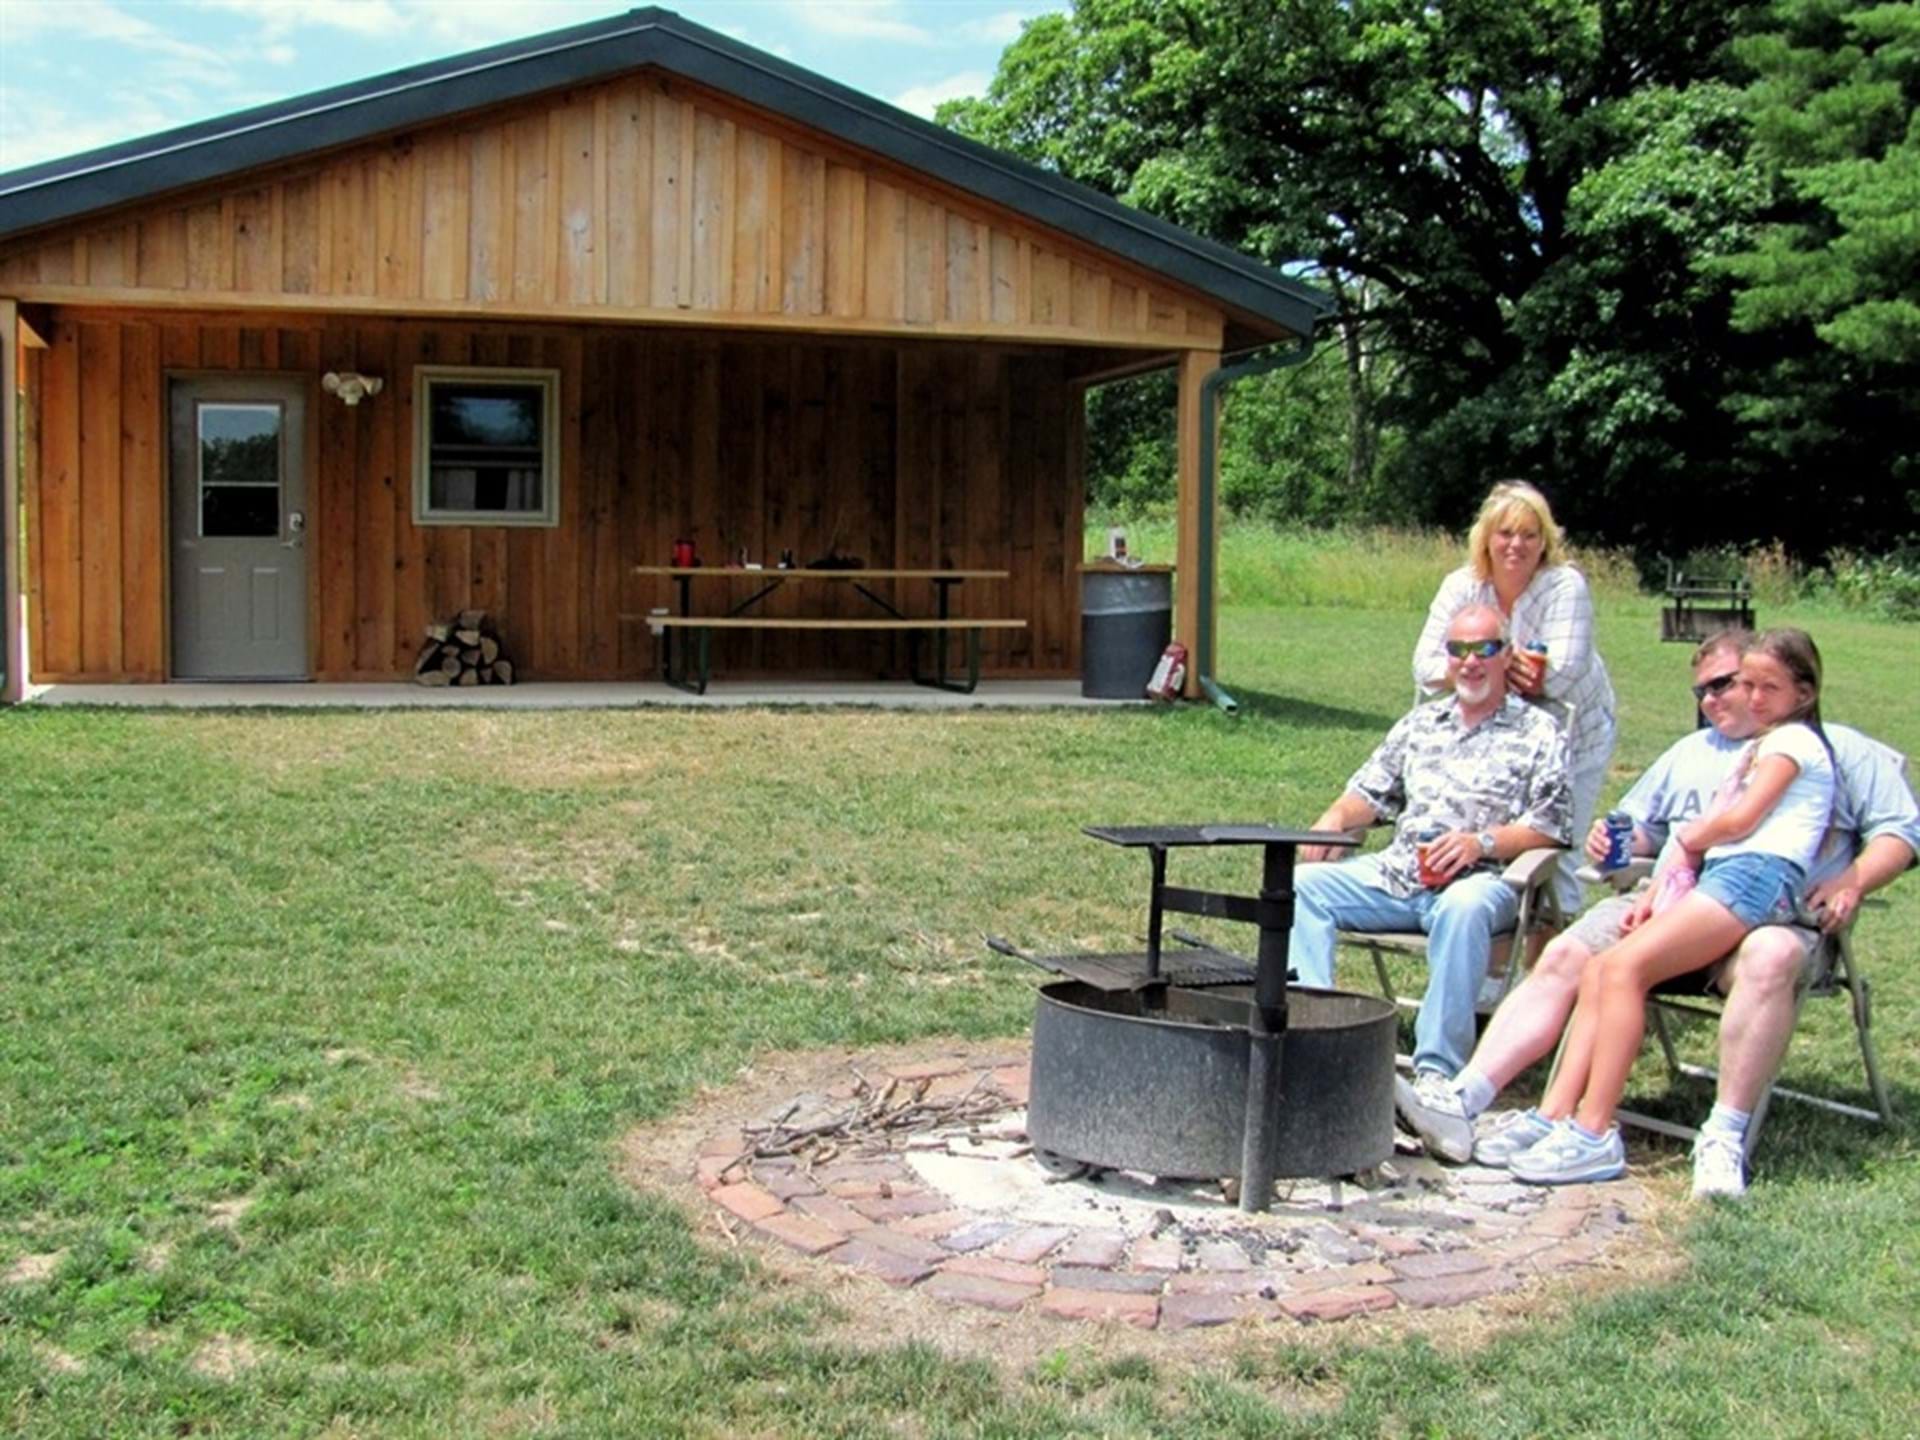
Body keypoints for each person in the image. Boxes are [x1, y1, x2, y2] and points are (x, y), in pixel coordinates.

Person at [1397, 628, 1918, 1196]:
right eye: (1704, 690)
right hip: (1675, 893)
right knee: (1573, 953)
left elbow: (1902, 832)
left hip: (1777, 910)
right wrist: (1615, 841)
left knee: (1764, 955)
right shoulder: (1691, 753)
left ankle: (1722, 1136)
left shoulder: (1831, 748)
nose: (1717, 699)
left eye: (1730, 684)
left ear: (1793, 688)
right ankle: (1469, 1099)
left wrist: (1852, 880)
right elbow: (1640, 829)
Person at [1498, 628, 1836, 1184]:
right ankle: (1557, 1116)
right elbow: (1700, 839)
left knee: (1622, 971)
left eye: (1768, 687)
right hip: (1725, 875)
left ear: (1804, 692)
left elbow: (1739, 820)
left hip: (1755, 878)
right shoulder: (1761, 744)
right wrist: (1659, 889)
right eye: (1748, 685)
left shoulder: (1793, 743)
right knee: (1602, 968)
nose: (1753, 698)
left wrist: (1692, 835)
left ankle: (1594, 1132)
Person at [1288, 604, 1572, 1082]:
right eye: (1459, 649)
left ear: (1506, 656)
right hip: (1398, 875)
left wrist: (1480, 843)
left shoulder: (1539, 731)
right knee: (1301, 886)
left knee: (1463, 909)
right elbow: (1368, 792)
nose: (1471, 661)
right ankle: (1314, 1041)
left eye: (1484, 649)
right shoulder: (1421, 723)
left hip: (1482, 881)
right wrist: (1335, 816)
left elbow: (1550, 826)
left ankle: (1437, 1071)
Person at [1413, 481, 1616, 916]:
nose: (1516, 545)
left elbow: (1562, 673)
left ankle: (1556, 943)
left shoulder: (1565, 586)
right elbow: (1424, 667)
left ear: (1545, 541)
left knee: (1555, 856)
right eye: (1505, 533)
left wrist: (1477, 664)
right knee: (1485, 843)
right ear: (1486, 538)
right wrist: (1493, 663)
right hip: (1492, 741)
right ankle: (1487, 941)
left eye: (1529, 534)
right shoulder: (1461, 586)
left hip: (1573, 738)